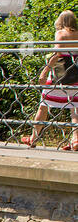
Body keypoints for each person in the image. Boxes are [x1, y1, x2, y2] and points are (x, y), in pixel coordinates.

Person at [23, 10, 78, 150]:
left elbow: (57, 54)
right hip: (75, 75)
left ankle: (33, 138)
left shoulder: (60, 34)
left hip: (58, 75)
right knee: (75, 109)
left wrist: (44, 72)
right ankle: (76, 140)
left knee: (44, 105)